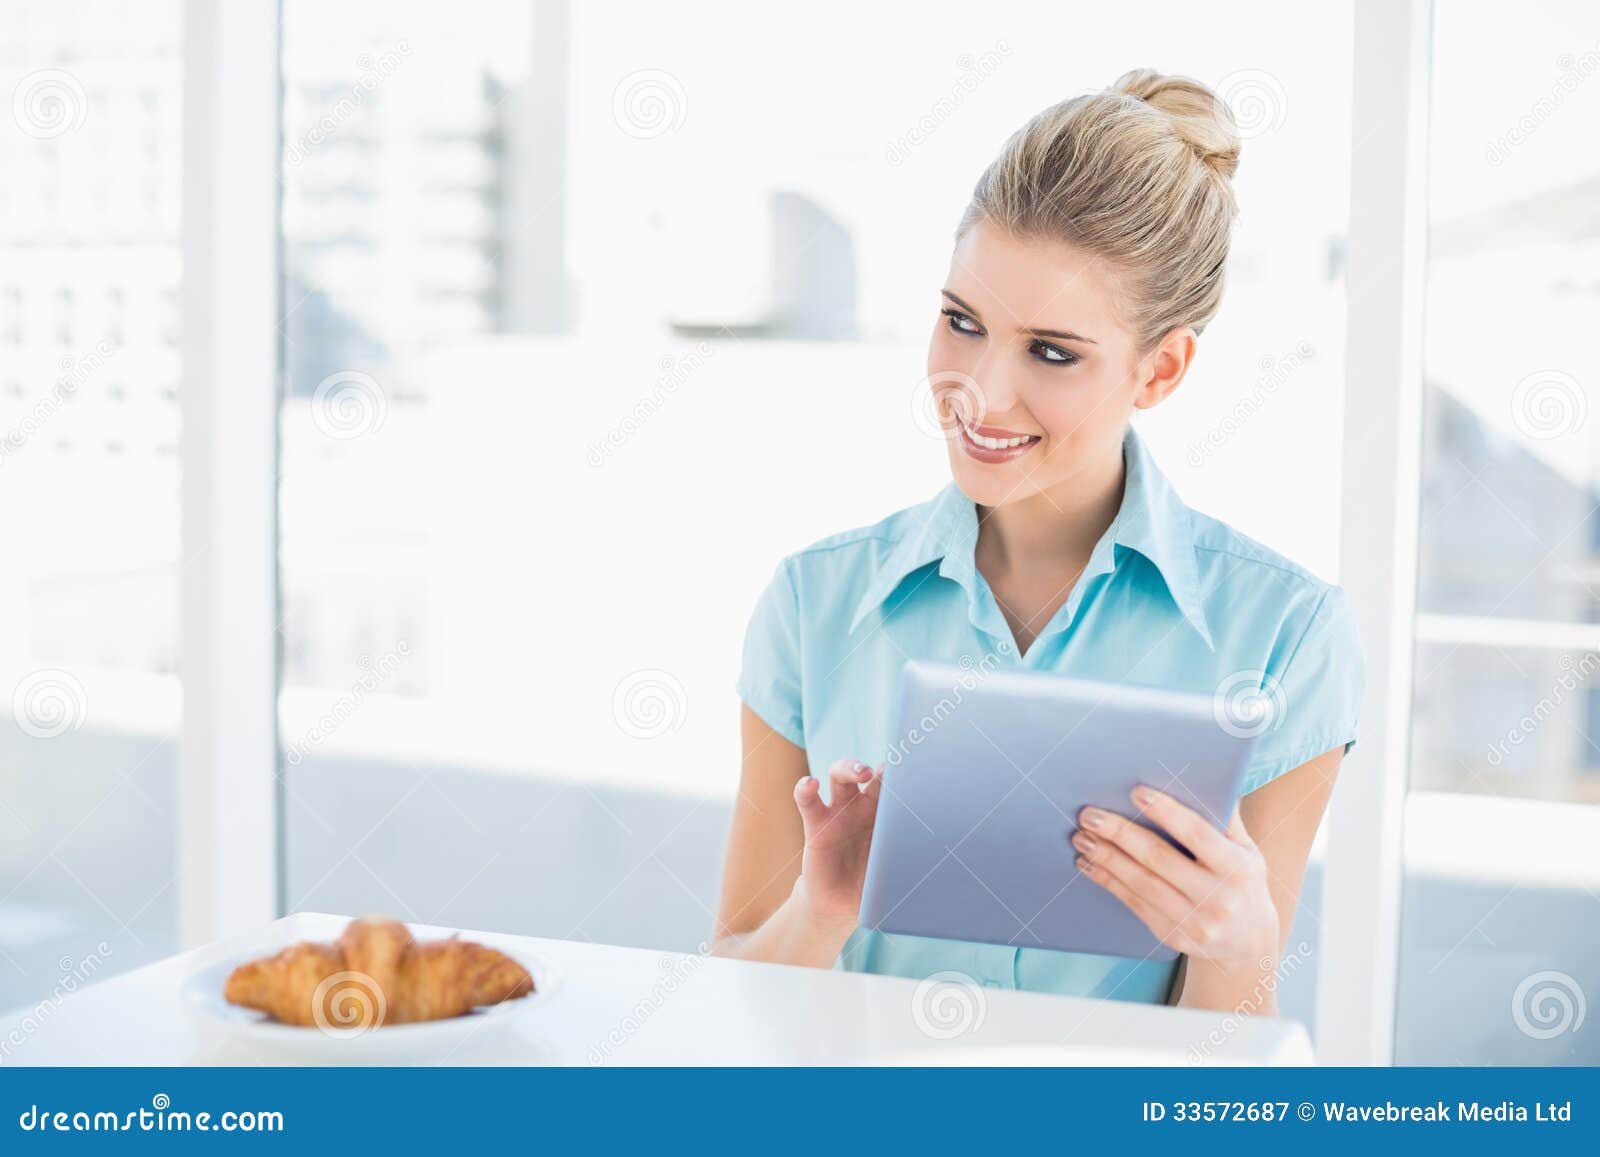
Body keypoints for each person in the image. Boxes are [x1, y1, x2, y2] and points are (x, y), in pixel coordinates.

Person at [711, 69, 1363, 1013]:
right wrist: (823, 908)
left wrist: (1239, 946)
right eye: (961, 322)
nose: (980, 391)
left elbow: (1221, 1062)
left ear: (1162, 369)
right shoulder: (813, 602)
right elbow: (731, 994)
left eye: (1052, 352)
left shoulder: (1287, 634)